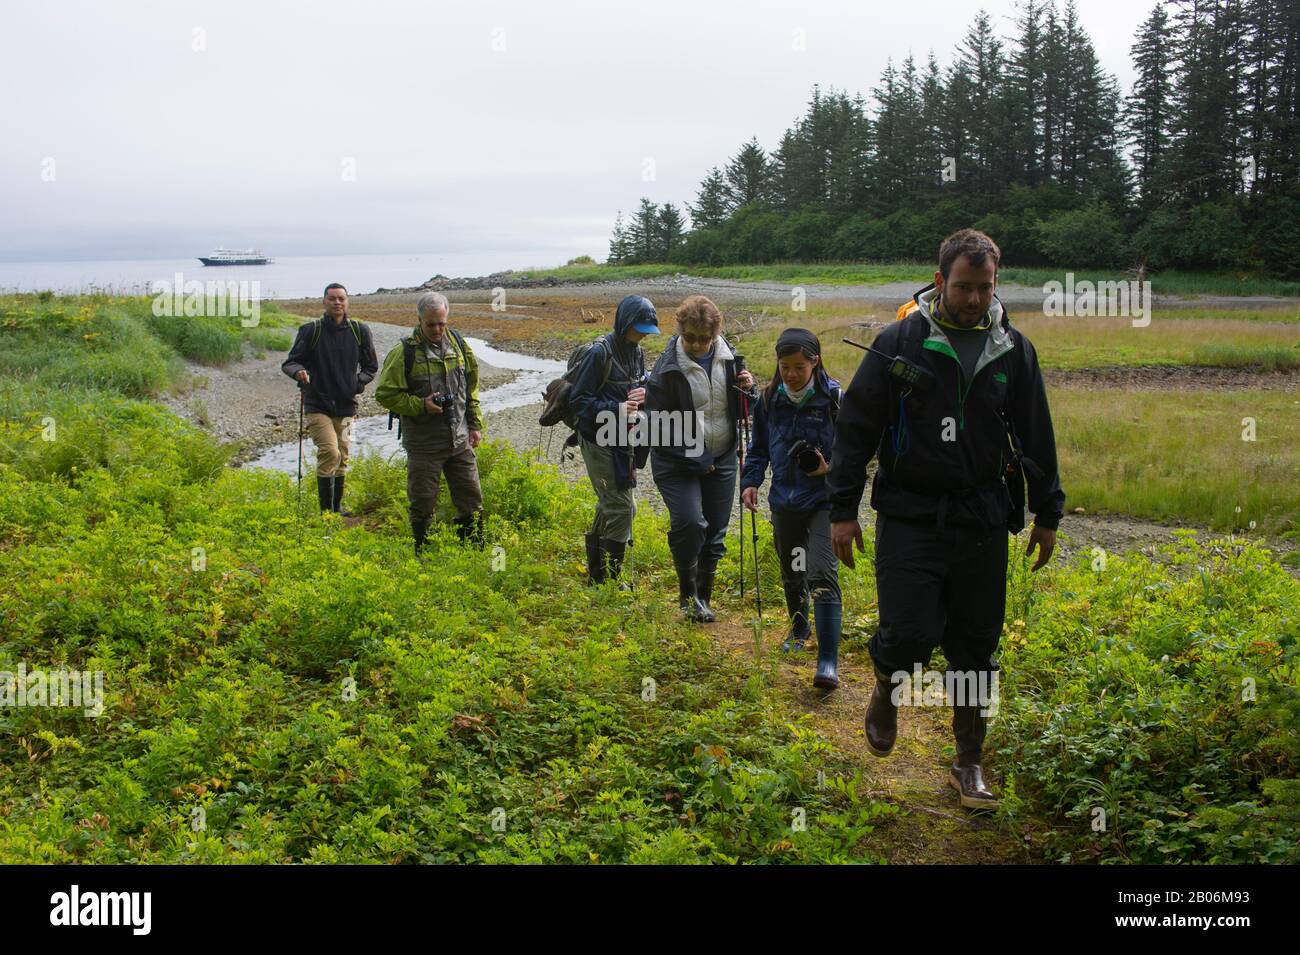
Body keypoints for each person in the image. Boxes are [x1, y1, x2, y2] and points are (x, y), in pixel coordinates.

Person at [826, 228, 1065, 810]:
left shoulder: (1014, 348)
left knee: (975, 645)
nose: (975, 299)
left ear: (995, 283)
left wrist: (1047, 512)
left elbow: (1038, 432)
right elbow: (855, 429)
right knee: (911, 633)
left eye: (985, 287)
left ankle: (969, 761)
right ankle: (888, 683)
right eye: (963, 287)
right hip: (910, 511)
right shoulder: (900, 341)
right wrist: (842, 510)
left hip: (983, 515)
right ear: (940, 282)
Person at [639, 295, 756, 622]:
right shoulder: (666, 369)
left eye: (705, 338)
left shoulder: (730, 358)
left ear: (716, 333)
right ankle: (687, 594)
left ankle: (703, 597)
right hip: (676, 461)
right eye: (690, 337)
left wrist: (750, 390)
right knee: (691, 523)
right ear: (679, 330)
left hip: (722, 454)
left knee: (715, 529)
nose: (697, 344)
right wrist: (698, 456)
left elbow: (747, 407)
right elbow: (655, 427)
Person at [740, 328, 844, 689]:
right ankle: (799, 629)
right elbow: (758, 449)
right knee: (791, 570)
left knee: (820, 572)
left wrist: (829, 467)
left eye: (799, 367)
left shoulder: (834, 399)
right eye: (785, 366)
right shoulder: (768, 401)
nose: (791, 374)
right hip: (784, 500)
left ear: (815, 362)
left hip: (824, 501)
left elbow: (856, 451)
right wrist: (750, 482)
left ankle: (827, 660)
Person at [374, 291, 485, 553]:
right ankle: (425, 555)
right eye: (431, 324)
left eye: (442, 323)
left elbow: (471, 387)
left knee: (472, 500)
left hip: (459, 439)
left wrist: (475, 424)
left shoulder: (458, 344)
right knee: (422, 504)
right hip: (424, 445)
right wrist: (421, 405)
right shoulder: (404, 352)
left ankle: (473, 553)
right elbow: (385, 394)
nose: (437, 329)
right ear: (419, 320)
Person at [567, 295, 658, 585]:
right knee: (622, 507)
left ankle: (597, 577)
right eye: (639, 328)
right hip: (596, 440)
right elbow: (579, 401)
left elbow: (640, 380)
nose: (643, 334)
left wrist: (645, 391)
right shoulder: (599, 354)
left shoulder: (636, 351)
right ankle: (612, 582)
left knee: (609, 503)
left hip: (623, 439)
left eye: (647, 329)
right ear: (625, 324)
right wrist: (615, 409)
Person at [281, 282, 378, 514]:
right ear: (324, 302)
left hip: (347, 406)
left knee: (343, 457)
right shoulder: (310, 330)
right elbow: (290, 362)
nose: (337, 302)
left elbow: (371, 367)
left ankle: (337, 508)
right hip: (318, 405)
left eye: (341, 298)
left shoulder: (359, 331)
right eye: (332, 298)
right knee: (330, 452)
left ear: (347, 302)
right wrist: (299, 372)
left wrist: (357, 383)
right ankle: (326, 513)